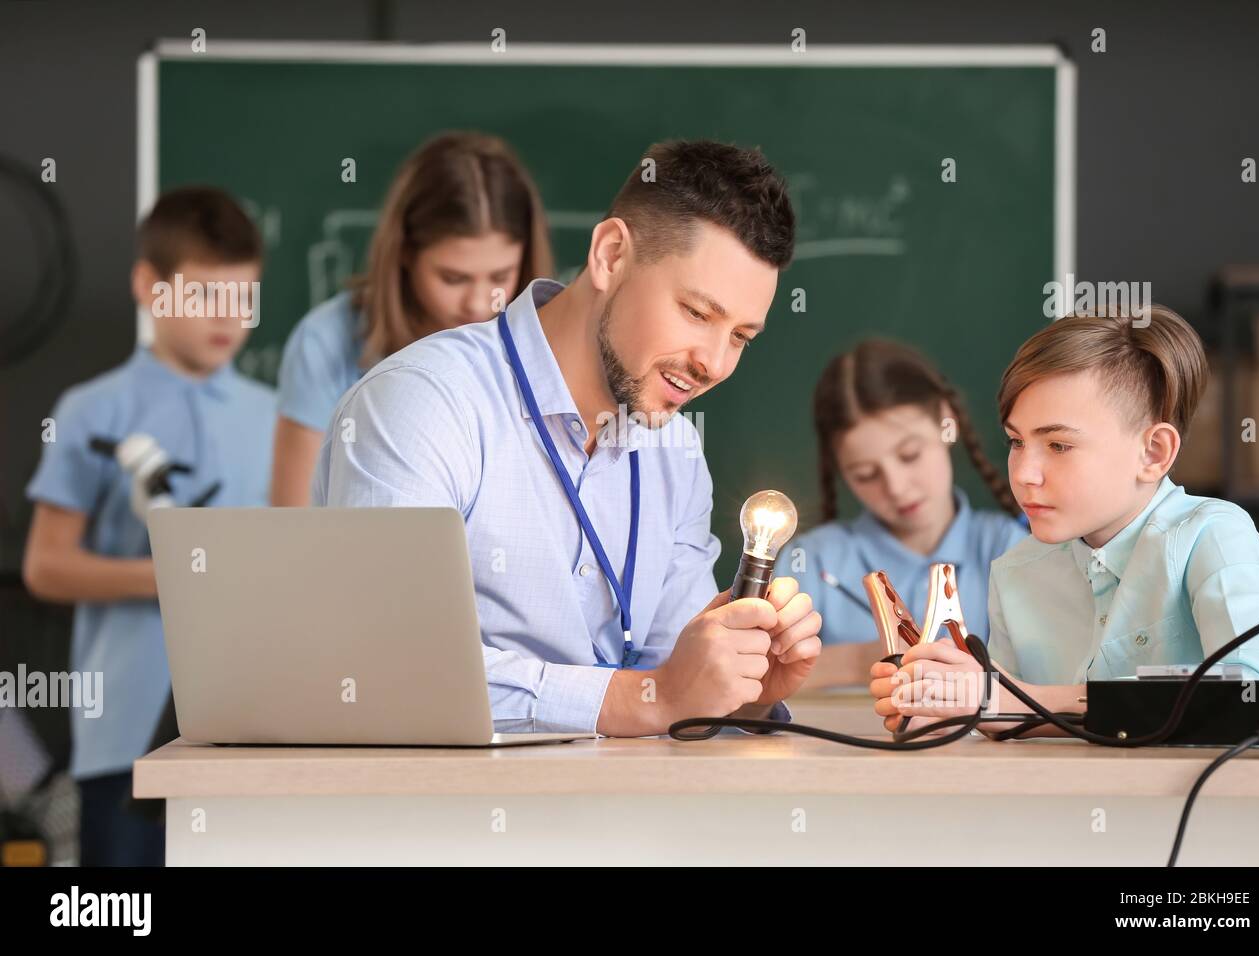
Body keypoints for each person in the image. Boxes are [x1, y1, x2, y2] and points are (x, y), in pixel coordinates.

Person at [315, 140, 823, 736]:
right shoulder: (424, 403)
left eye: (741, 336)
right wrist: (647, 699)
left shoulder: (677, 455)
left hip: (623, 816)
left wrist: (741, 691)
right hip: (442, 817)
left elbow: (674, 682)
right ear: (610, 256)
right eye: (696, 313)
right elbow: (388, 667)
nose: (713, 362)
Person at [869, 306, 1259, 737]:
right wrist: (947, 707)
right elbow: (1012, 721)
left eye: (1058, 445)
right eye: (1016, 441)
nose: (1022, 473)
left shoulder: (1214, 537)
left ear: (1153, 453)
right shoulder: (1016, 570)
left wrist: (1008, 698)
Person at [23, 187, 276, 862]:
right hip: (125, 733)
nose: (226, 319)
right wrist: (174, 572)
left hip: (255, 728)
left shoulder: (277, 417)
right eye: (203, 296)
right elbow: (45, 565)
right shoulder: (91, 410)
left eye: (242, 297)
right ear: (149, 286)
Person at [271, 131, 553, 505]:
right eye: (453, 278)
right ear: (404, 253)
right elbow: (296, 526)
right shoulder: (324, 342)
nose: (478, 303)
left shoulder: (548, 347)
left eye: (500, 277)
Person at [776, 339, 1026, 688]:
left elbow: (1044, 685)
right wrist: (861, 660)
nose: (895, 487)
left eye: (910, 455)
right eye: (865, 474)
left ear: (946, 423)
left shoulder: (1010, 548)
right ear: (840, 471)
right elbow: (755, 686)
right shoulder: (811, 561)